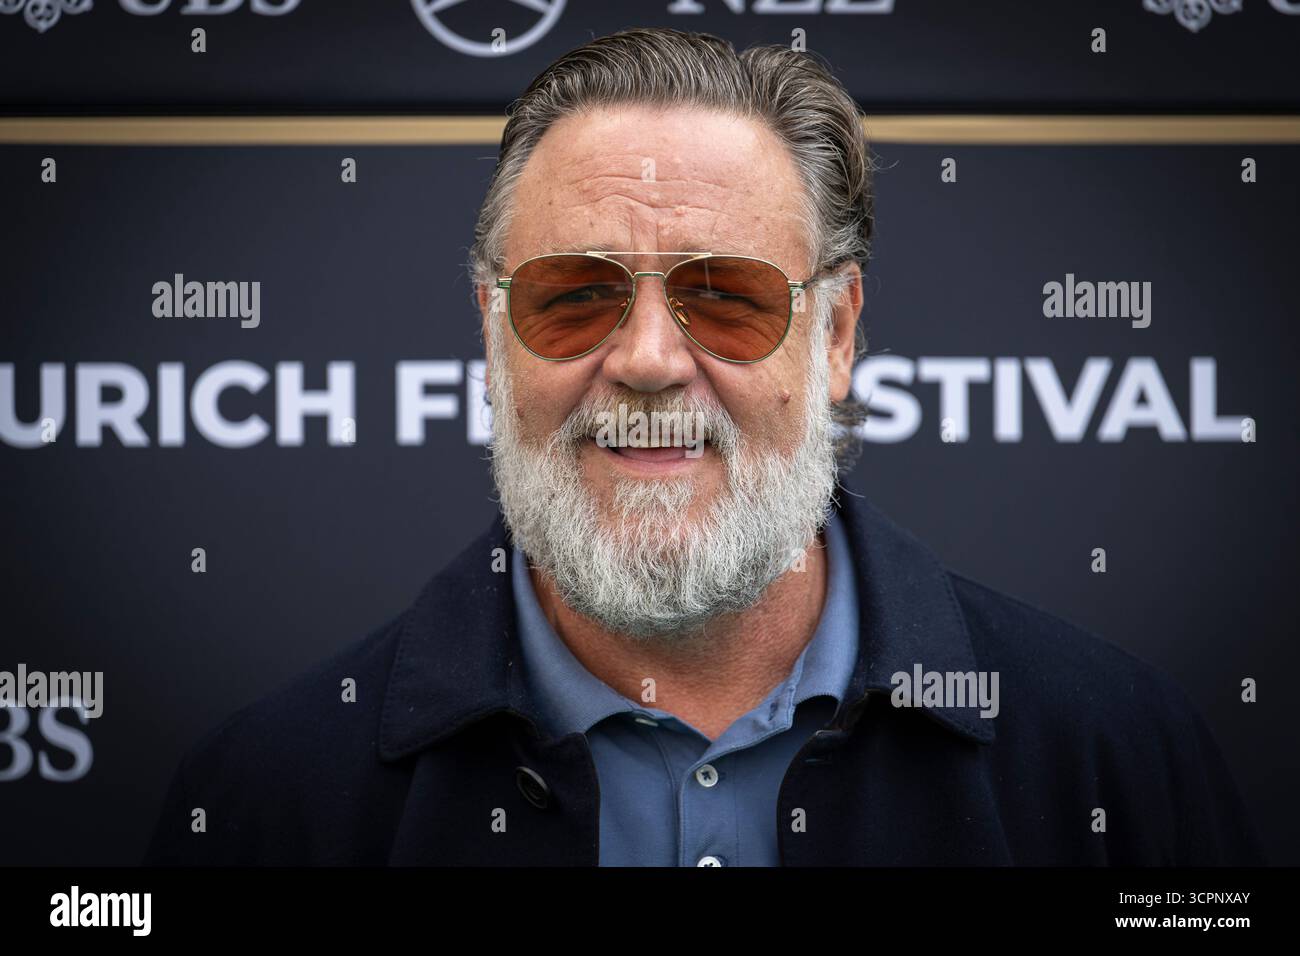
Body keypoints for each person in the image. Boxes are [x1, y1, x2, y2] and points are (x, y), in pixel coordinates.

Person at [144, 27, 1261, 867]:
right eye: (572, 295)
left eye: (724, 298)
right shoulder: (266, 800)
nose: (645, 358)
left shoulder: (1116, 755)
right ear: (491, 335)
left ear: (835, 333)